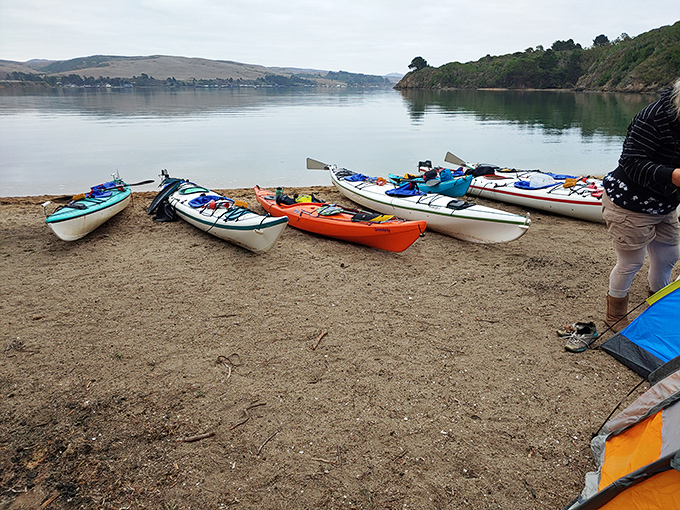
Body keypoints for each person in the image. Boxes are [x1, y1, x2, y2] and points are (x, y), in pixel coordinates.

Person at [601, 78, 680, 332]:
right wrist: (672, 175)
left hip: (665, 202)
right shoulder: (653, 117)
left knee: (669, 255)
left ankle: (656, 308)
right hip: (629, 202)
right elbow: (631, 161)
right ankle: (615, 314)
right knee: (631, 262)